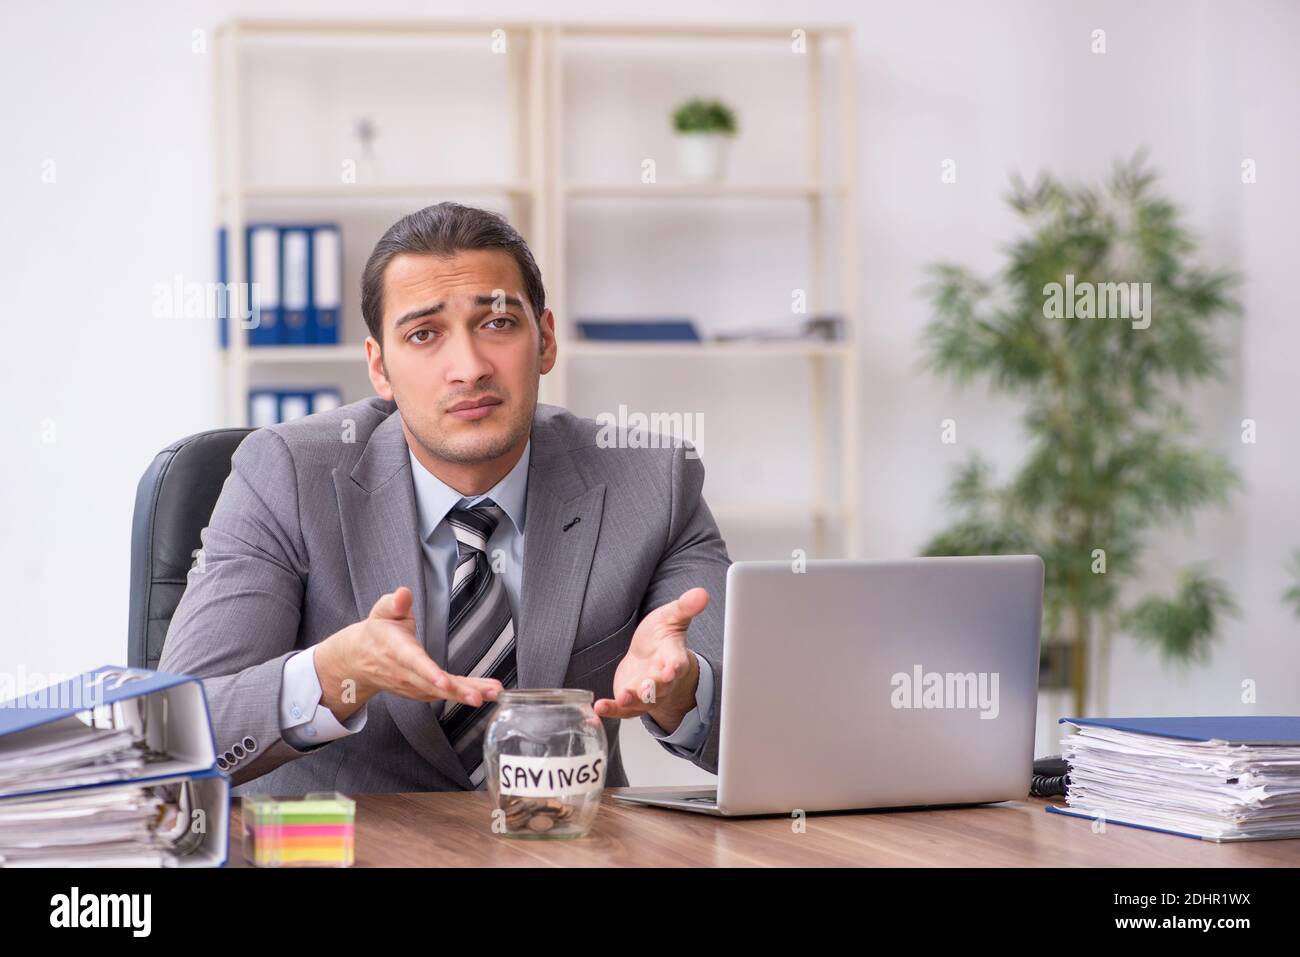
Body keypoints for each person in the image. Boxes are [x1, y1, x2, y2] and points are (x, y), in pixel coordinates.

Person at [160, 202, 730, 794]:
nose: (469, 368)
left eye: (498, 323)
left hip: (560, 850)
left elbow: (765, 721)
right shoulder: (285, 475)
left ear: (546, 340)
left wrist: (685, 691)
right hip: (339, 856)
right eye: (424, 334)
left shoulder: (651, 480)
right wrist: (336, 674)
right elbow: (175, 737)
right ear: (380, 368)